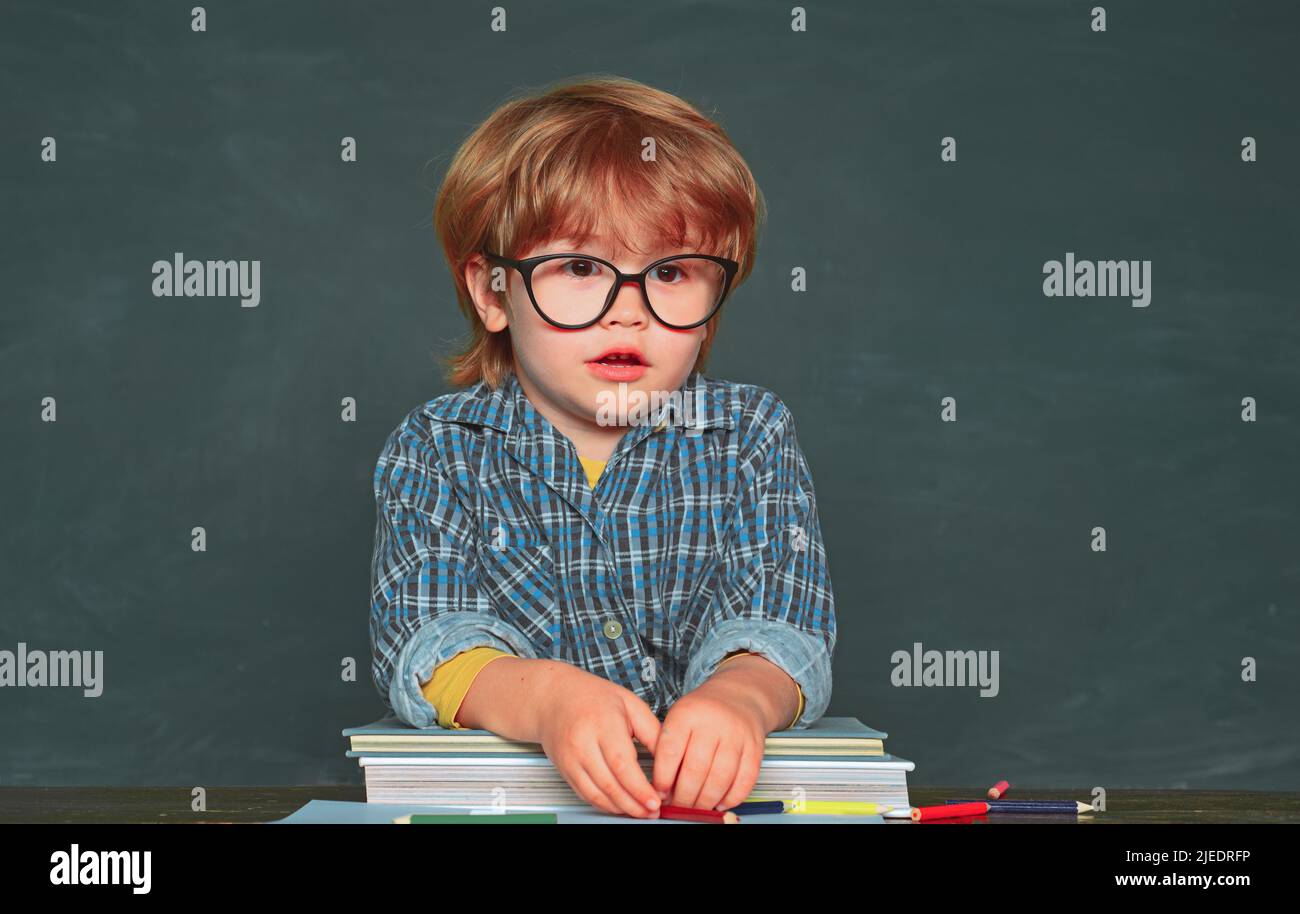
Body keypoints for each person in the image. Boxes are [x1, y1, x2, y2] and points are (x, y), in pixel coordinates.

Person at [369, 75, 835, 819]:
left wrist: (741, 697)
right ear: (493, 292)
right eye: (581, 268)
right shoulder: (440, 449)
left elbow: (781, 623)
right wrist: (547, 699)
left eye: (672, 272)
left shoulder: (751, 435)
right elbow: (430, 642)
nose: (627, 311)